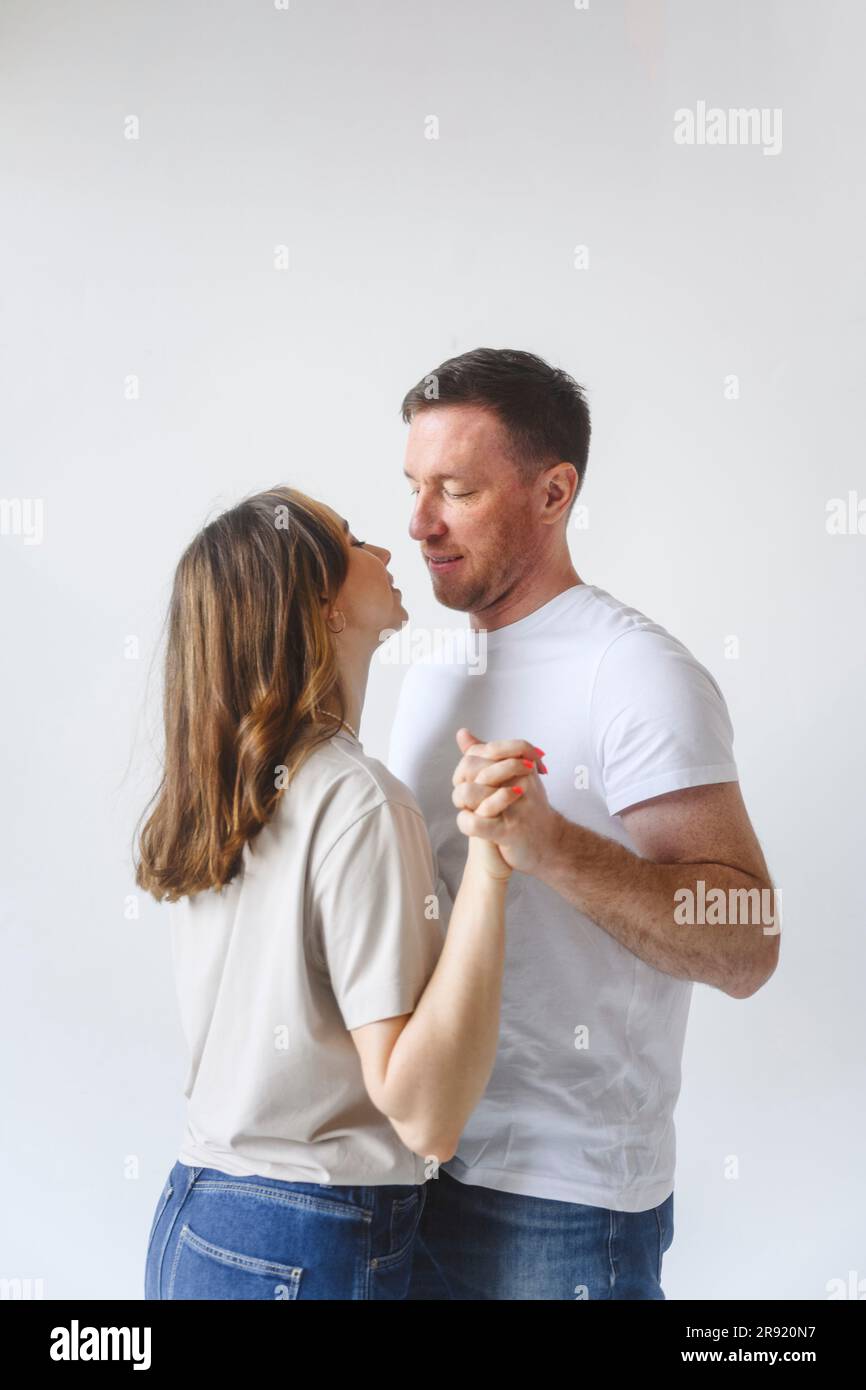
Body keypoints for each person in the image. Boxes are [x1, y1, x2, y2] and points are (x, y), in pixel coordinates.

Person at [388, 347, 781, 1300]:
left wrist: (556, 849)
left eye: (456, 490)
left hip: (561, 1207)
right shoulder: (434, 666)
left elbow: (750, 944)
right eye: (413, 486)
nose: (420, 524)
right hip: (409, 1173)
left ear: (554, 490)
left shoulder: (636, 671)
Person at [135, 485, 539, 1300]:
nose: (388, 552)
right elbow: (426, 1114)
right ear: (320, 606)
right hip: (304, 1241)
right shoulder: (357, 798)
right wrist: (492, 868)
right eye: (355, 542)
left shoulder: (224, 794)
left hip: (197, 1219)